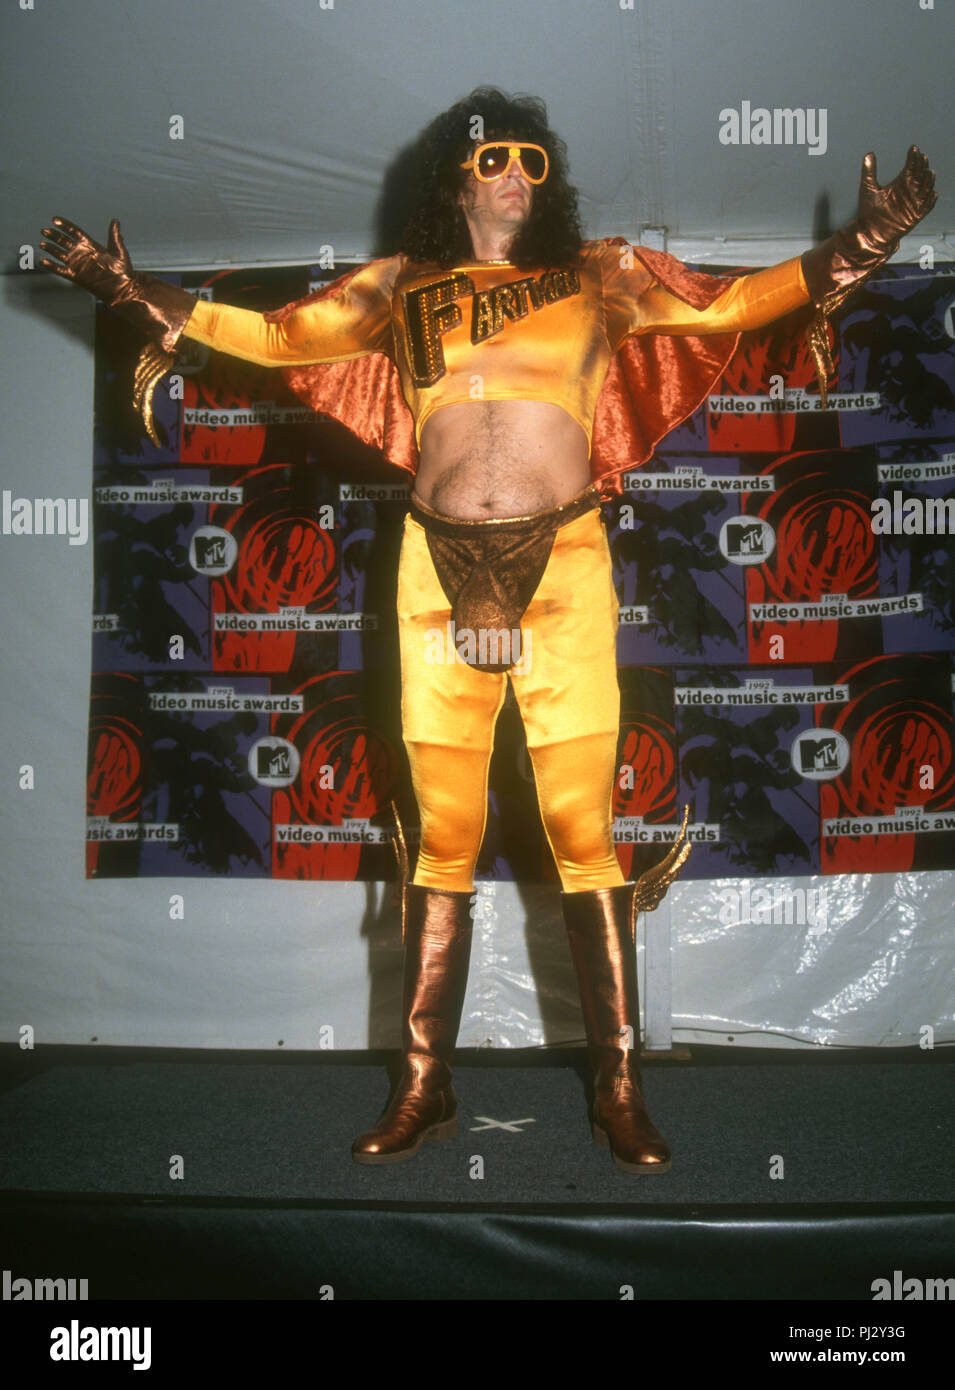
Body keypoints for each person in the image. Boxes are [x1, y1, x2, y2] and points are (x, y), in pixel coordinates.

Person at [38, 88, 936, 1174]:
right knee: (444, 840)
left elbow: (734, 306)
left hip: (561, 559)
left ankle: (617, 1087)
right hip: (432, 566)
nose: (516, 173)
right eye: (495, 157)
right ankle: (424, 1086)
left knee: (583, 832)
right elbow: (274, 336)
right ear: (456, 177)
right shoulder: (398, 288)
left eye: (534, 160)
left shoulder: (601, 277)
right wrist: (134, 289)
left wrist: (865, 240)